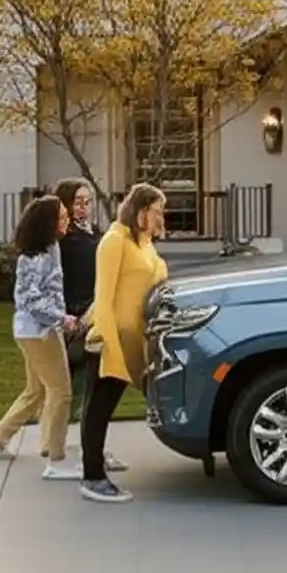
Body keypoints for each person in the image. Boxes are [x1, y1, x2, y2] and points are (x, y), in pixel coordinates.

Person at [0, 195, 81, 480]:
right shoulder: (35, 258)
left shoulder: (51, 248)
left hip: (33, 331)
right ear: (48, 223)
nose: (66, 219)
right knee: (61, 392)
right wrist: (62, 318)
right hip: (39, 333)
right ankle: (56, 462)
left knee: (36, 391)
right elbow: (30, 300)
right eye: (61, 216)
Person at [79, 183, 169, 503]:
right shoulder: (114, 240)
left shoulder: (143, 243)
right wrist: (111, 346)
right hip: (110, 339)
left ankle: (95, 461)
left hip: (133, 340)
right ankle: (92, 477)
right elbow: (103, 298)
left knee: (104, 407)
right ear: (141, 210)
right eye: (157, 211)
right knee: (97, 410)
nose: (161, 216)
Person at [52, 179, 128, 472]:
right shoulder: (65, 240)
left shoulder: (93, 232)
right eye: (79, 202)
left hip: (98, 313)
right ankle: (66, 450)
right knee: (76, 388)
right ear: (67, 205)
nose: (84, 207)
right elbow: (66, 281)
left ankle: (88, 448)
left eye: (88, 202)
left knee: (87, 387)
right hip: (80, 317)